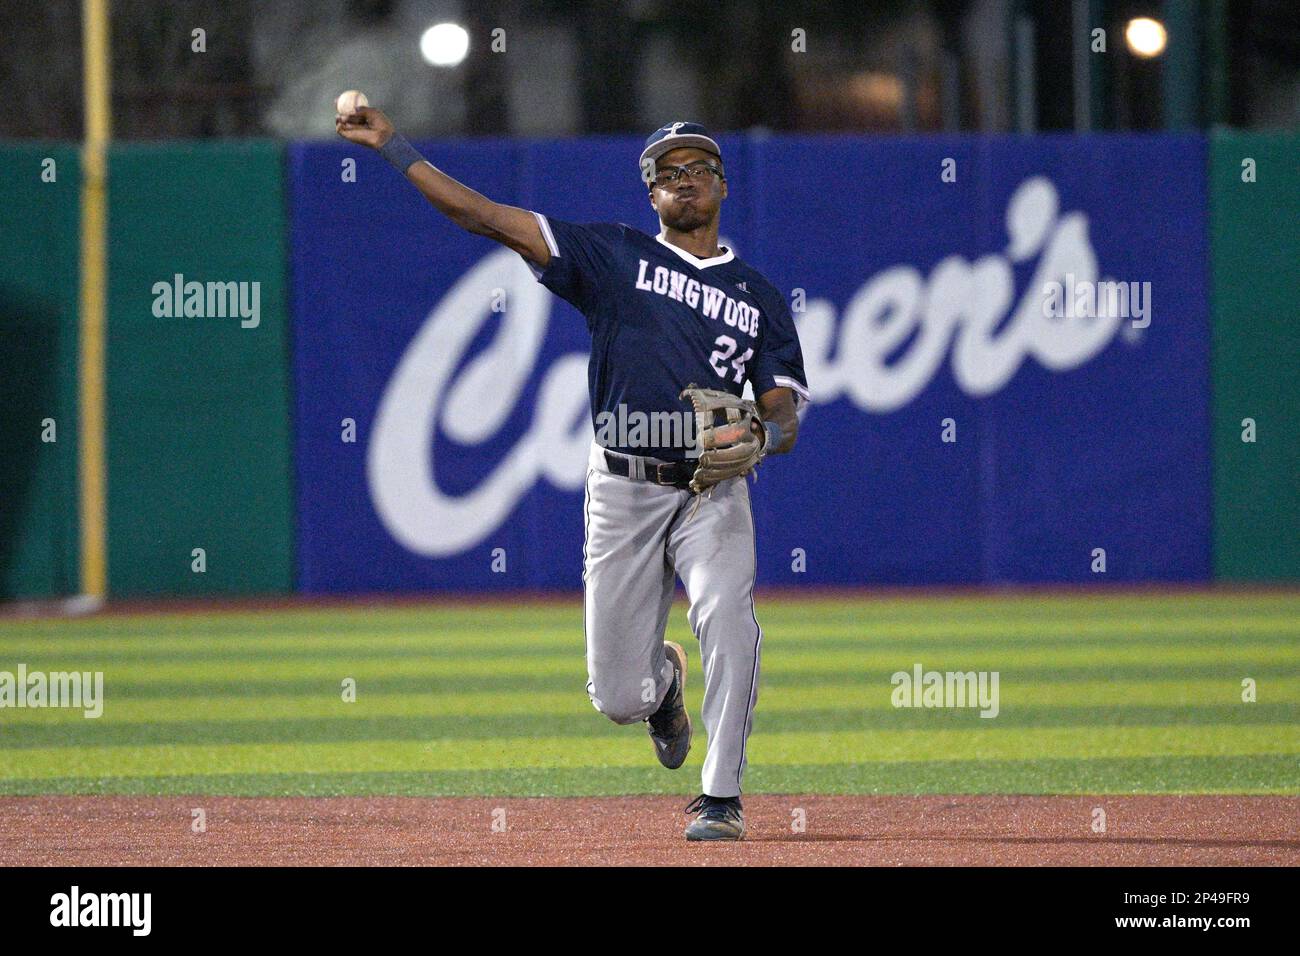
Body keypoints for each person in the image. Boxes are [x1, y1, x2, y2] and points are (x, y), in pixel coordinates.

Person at [337, 109, 809, 841]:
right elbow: (486, 217)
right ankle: (663, 690)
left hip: (713, 491)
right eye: (668, 173)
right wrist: (394, 147)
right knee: (618, 695)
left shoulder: (757, 296)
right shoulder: (612, 256)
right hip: (621, 485)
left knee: (729, 617)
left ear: (722, 185)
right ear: (651, 195)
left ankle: (722, 797)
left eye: (699, 169)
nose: (686, 181)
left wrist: (764, 432)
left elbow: (782, 410)